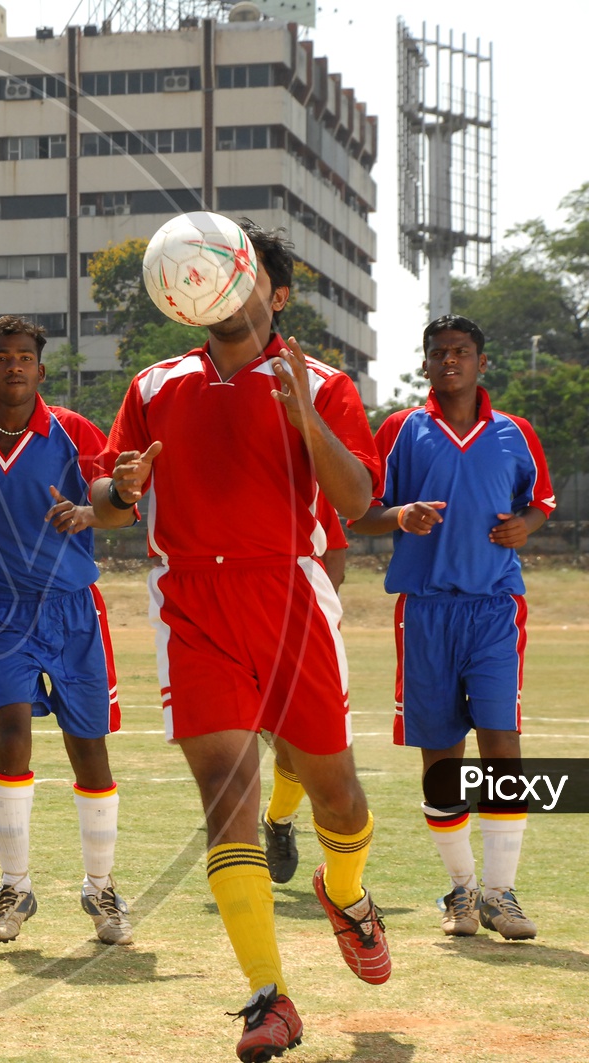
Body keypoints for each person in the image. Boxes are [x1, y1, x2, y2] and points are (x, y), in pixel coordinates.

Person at [94, 221, 389, 1061]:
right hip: (190, 599)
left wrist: (305, 420)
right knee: (227, 796)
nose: (219, 281)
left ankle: (347, 891)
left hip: (290, 595)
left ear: (276, 292)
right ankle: (271, 997)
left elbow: (361, 497)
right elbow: (112, 503)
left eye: (244, 272)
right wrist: (120, 488)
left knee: (337, 797)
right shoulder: (155, 386)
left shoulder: (321, 382)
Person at [351, 314, 554, 941]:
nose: (449, 362)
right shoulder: (401, 431)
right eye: (438, 353)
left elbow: (540, 502)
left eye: (460, 352)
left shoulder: (514, 433)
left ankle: (501, 894)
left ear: (481, 363)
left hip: (495, 608)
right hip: (426, 610)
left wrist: (527, 527)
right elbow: (361, 512)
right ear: (425, 364)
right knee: (441, 758)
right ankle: (461, 891)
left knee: (503, 745)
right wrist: (398, 516)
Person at [0, 314, 138, 950]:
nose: (15, 366)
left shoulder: (74, 432)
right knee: (12, 741)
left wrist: (97, 508)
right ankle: (14, 885)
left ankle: (100, 888)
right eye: (3, 357)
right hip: (11, 611)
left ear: (41, 370)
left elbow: (112, 502)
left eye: (25, 357)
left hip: (76, 608)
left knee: (89, 750)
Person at [263, 505, 348, 885]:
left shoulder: (304, 484)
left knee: (293, 747)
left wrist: (312, 612)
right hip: (219, 620)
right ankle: (238, 872)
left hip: (293, 627)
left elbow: (336, 555)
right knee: (227, 748)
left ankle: (277, 821)